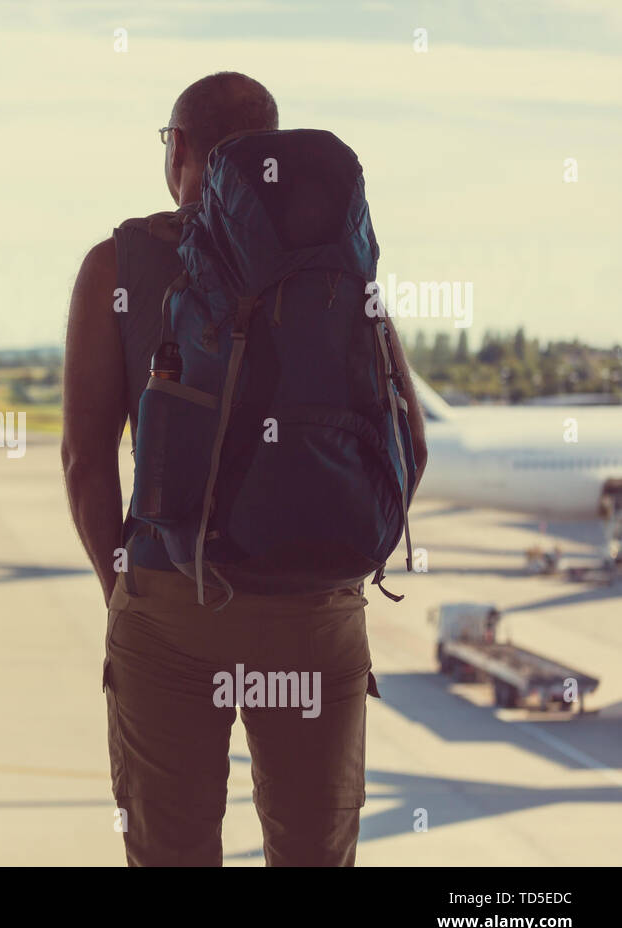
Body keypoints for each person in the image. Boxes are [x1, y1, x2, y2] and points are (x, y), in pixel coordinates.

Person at [60, 72, 428, 866]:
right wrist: (333, 571)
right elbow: (412, 446)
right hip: (316, 614)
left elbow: (86, 462)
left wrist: (126, 593)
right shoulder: (335, 264)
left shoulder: (117, 264)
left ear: (179, 149)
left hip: (172, 604)